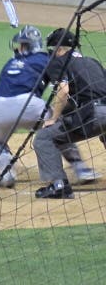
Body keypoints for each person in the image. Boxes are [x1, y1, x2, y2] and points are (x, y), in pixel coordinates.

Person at [0, 26, 96, 188]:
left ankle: (6, 172)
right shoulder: (46, 59)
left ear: (24, 46)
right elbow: (61, 89)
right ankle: (81, 168)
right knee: (58, 130)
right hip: (31, 106)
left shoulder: (10, 62)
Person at [32, 28, 106, 198]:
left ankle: (59, 186)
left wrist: (54, 118)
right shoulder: (91, 61)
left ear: (59, 49)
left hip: (94, 112)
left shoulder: (59, 61)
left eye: (52, 50)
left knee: (45, 138)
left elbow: (63, 91)